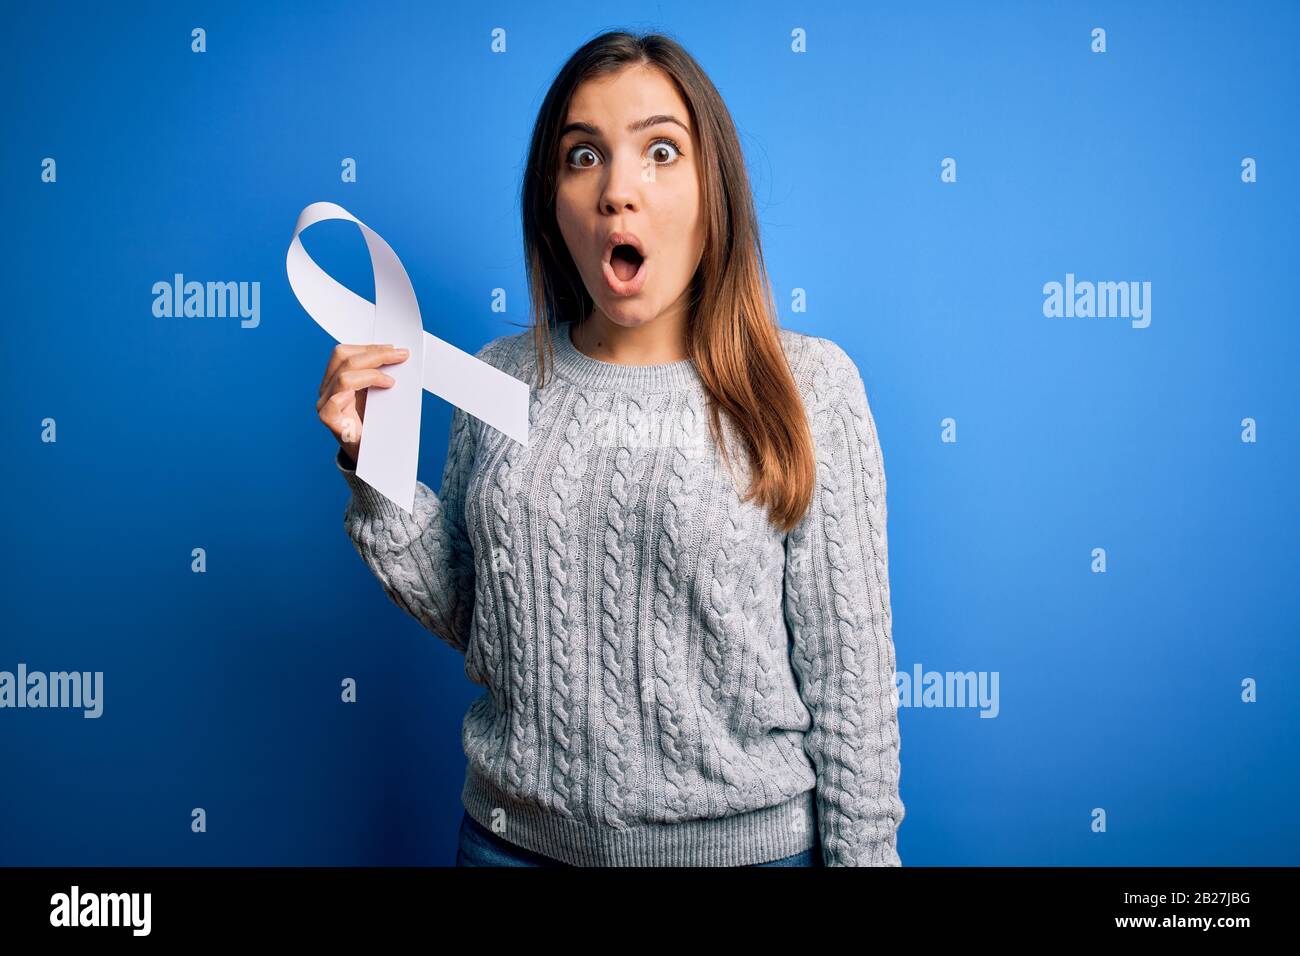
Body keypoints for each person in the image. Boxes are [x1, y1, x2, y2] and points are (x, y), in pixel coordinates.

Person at [315, 30, 904, 867]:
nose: (618, 190)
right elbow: (475, 615)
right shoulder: (498, 380)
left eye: (661, 150)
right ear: (551, 200)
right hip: (508, 849)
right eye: (583, 155)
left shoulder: (809, 388)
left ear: (715, 190)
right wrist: (374, 468)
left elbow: (855, 696)